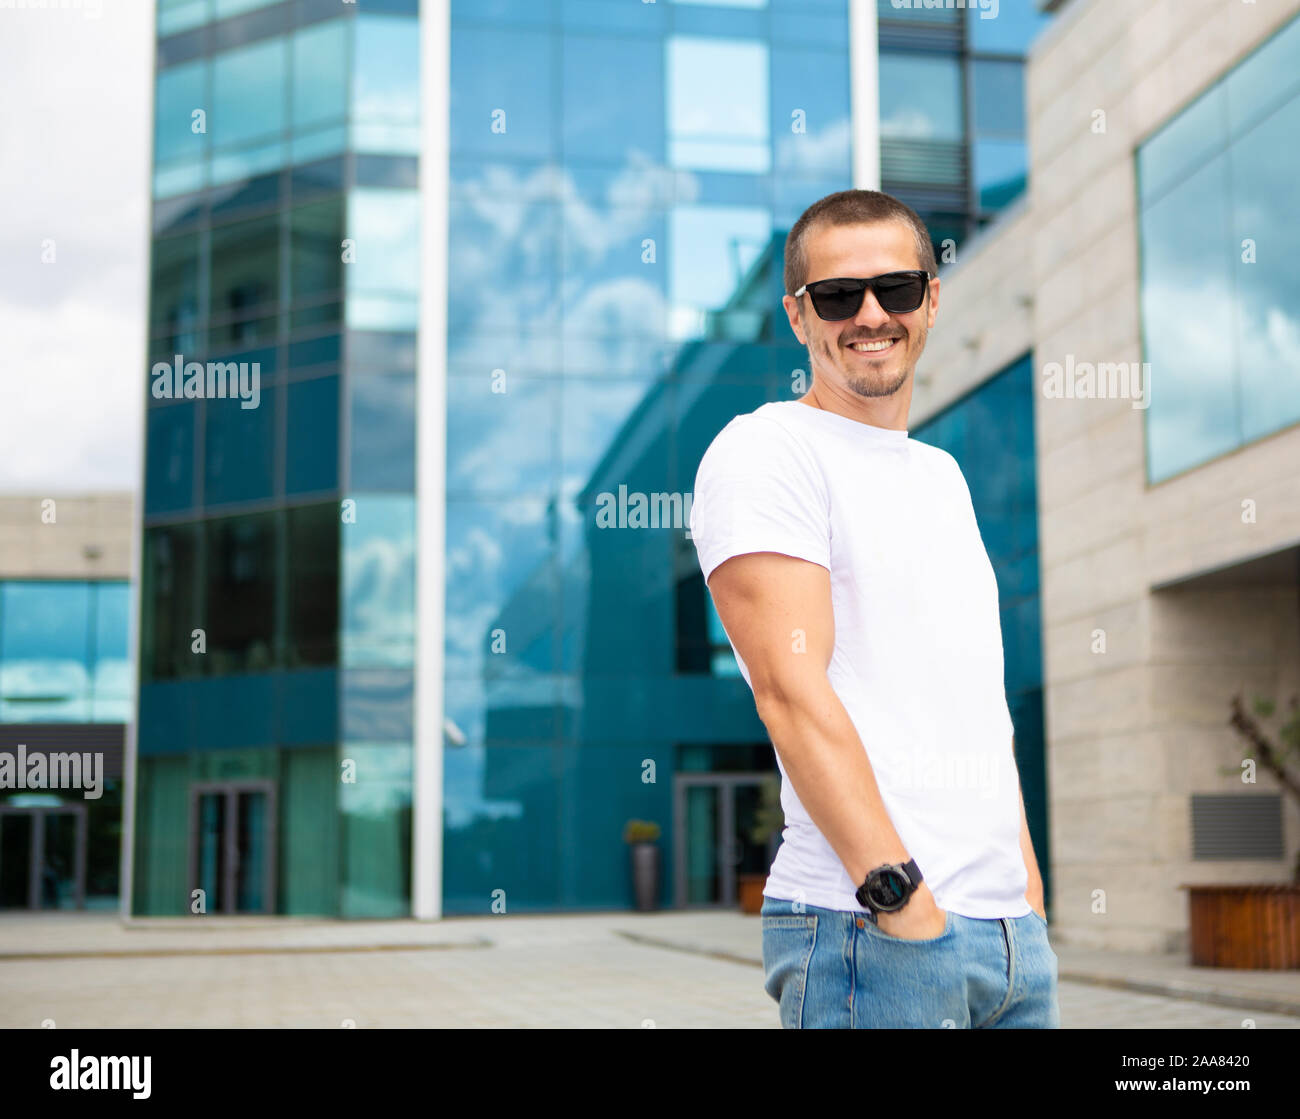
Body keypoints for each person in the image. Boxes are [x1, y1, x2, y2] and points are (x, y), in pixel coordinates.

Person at [688, 189, 1060, 1029]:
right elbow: (789, 689)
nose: (869, 314)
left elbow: (976, 709)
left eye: (895, 288)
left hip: (1010, 941)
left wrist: (1026, 894)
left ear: (931, 300)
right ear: (797, 315)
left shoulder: (942, 476)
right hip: (874, 931)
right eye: (836, 295)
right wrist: (902, 901)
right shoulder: (767, 450)